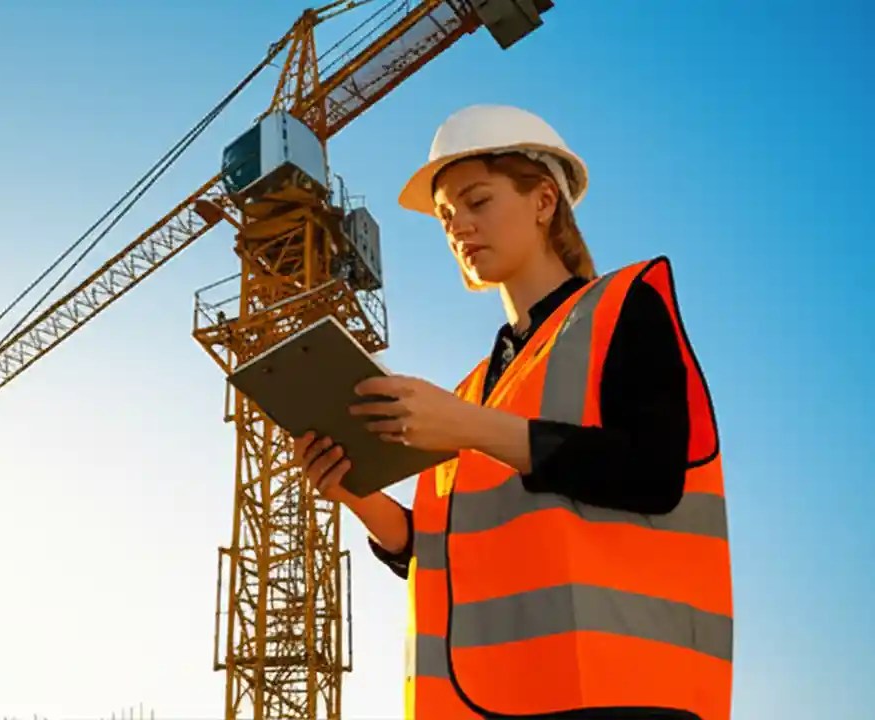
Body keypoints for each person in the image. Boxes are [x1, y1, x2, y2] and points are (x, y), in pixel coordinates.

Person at [292, 105, 732, 720]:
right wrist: (354, 493)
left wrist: (471, 428)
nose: (459, 228)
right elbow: (441, 551)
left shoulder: (622, 309)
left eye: (478, 202)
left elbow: (654, 476)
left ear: (544, 200)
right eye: (447, 217)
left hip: (613, 692)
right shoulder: (473, 389)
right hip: (483, 701)